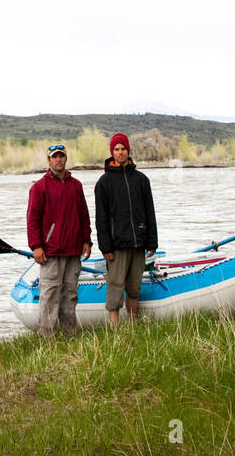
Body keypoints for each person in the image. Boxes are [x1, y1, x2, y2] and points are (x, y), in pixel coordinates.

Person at [26, 143, 92, 336]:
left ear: (66, 158)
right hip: (51, 251)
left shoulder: (76, 185)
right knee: (49, 295)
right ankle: (47, 338)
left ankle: (70, 335)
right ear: (48, 160)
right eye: (55, 157)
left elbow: (84, 216)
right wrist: (36, 246)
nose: (59, 160)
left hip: (73, 251)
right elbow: (32, 220)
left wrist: (86, 240)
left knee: (70, 295)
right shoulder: (39, 188)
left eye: (61, 156)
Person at [94, 132, 158, 325]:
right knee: (115, 289)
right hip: (117, 246)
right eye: (116, 149)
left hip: (138, 243)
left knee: (133, 289)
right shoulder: (104, 183)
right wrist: (105, 248)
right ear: (111, 153)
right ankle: (114, 331)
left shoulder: (141, 180)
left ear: (128, 151)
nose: (120, 152)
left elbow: (150, 212)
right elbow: (101, 219)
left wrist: (152, 241)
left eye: (123, 149)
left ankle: (132, 325)